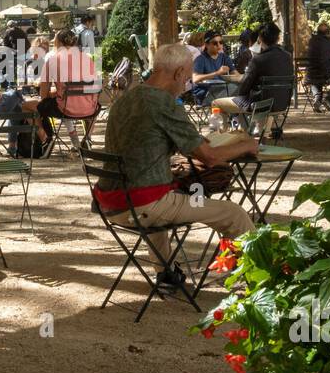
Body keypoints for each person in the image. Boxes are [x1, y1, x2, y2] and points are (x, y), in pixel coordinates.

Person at [96, 43, 258, 292]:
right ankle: (262, 278)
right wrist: (246, 145)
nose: (187, 84)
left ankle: (165, 273)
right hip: (144, 205)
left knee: (171, 196)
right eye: (187, 77)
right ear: (178, 73)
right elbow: (210, 158)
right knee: (233, 213)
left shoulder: (126, 97)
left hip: (112, 201)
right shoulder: (163, 103)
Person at [212, 22, 292, 133]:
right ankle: (247, 132)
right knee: (241, 101)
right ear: (278, 38)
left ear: (260, 39)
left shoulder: (258, 59)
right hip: (282, 103)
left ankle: (224, 136)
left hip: (260, 105)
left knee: (216, 103)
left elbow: (244, 87)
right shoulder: (287, 57)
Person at [38, 28, 100, 141]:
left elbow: (43, 95)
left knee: (38, 106)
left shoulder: (52, 60)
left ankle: (47, 139)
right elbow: (94, 86)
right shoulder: (88, 59)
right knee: (71, 100)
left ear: (59, 43)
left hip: (65, 109)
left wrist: (55, 93)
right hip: (90, 109)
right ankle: (88, 138)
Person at [305, 21, 330, 107]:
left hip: (310, 75)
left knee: (315, 79)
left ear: (317, 32)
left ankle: (317, 99)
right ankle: (329, 98)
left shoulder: (311, 41)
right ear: (328, 32)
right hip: (326, 75)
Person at [191, 30, 232, 105]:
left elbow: (235, 73)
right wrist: (217, 73)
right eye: (215, 43)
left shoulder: (225, 57)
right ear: (206, 45)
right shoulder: (200, 59)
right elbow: (195, 78)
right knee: (232, 90)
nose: (219, 45)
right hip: (205, 94)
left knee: (240, 88)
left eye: (221, 42)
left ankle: (236, 115)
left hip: (221, 90)